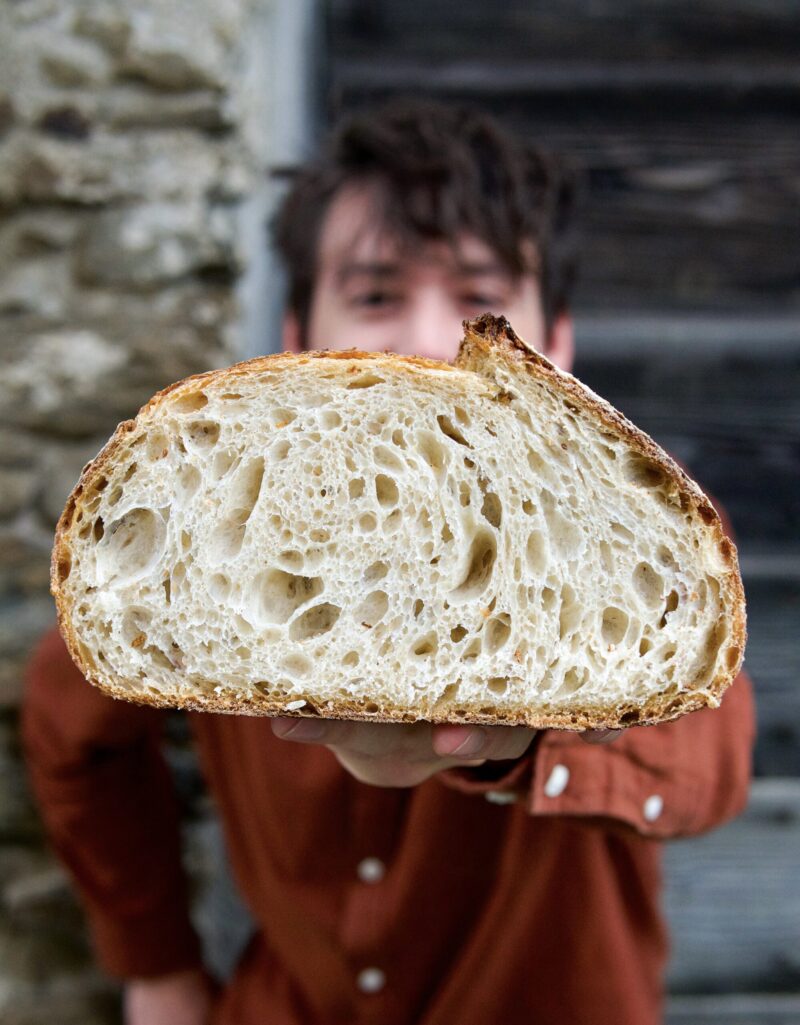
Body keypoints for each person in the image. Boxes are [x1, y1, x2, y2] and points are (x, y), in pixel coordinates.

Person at [21, 99, 756, 1025]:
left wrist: (523, 744)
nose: (422, 338)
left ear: (554, 344)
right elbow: (65, 718)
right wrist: (155, 962)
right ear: (296, 332)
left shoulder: (647, 540)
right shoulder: (212, 529)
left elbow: (710, 760)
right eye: (375, 295)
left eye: (478, 299)